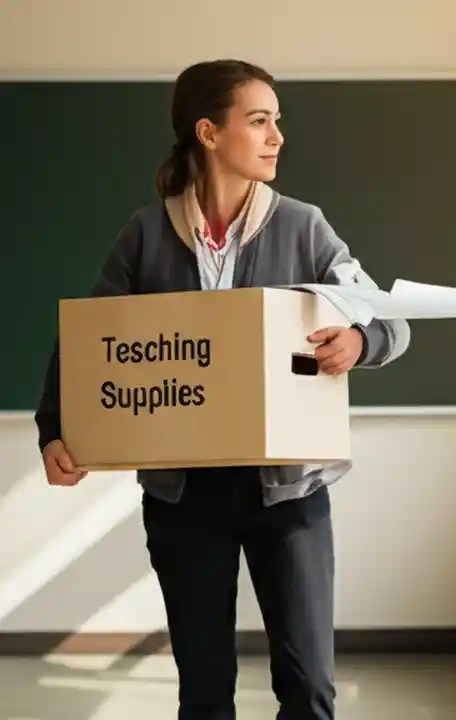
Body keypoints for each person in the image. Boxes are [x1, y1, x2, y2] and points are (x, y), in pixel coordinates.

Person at [35, 59, 410, 720]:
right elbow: (89, 344)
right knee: (204, 691)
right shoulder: (145, 234)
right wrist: (54, 429)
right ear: (209, 133)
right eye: (259, 120)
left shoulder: (305, 227)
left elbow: (389, 321)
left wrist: (359, 341)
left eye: (277, 122)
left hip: (289, 495)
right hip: (185, 497)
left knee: (308, 687)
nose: (276, 137)